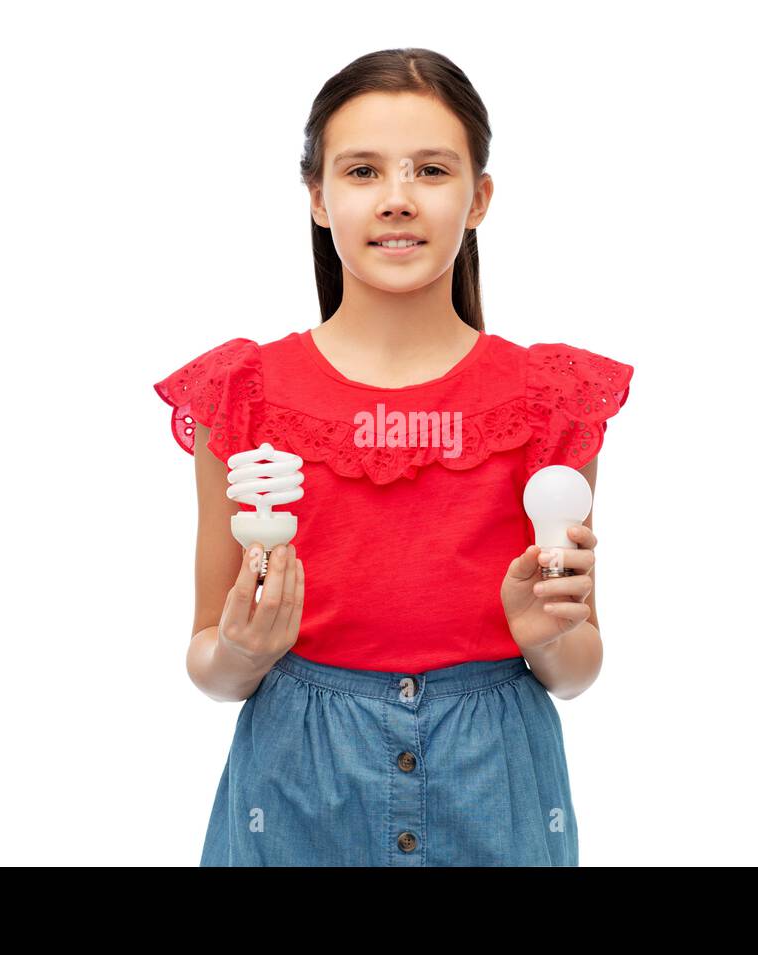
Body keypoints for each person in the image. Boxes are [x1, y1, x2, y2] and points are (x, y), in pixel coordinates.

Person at [152, 48, 634, 866]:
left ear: (479, 198)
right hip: (296, 786)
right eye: (364, 171)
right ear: (317, 196)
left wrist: (544, 635)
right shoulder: (242, 394)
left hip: (496, 783)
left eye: (432, 170)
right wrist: (243, 649)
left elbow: (579, 664)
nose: (399, 199)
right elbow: (211, 662)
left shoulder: (550, 397)